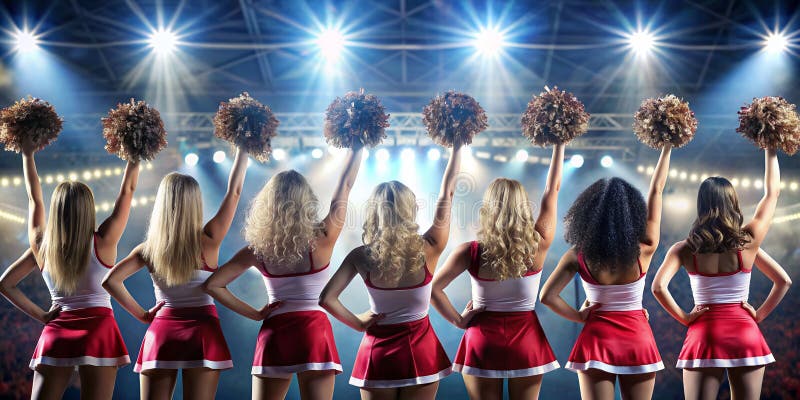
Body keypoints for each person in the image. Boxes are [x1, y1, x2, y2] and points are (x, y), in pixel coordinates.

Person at [203, 145, 364, 400]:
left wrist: (256, 314)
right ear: (306, 202)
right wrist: (358, 146)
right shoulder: (323, 237)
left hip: (275, 332)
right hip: (314, 332)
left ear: (268, 205)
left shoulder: (256, 249)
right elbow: (345, 186)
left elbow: (212, 285)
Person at [319, 141, 463, 400]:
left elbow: (326, 299)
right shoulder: (431, 245)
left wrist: (358, 323)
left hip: (377, 352)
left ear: (374, 212)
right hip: (421, 349)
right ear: (411, 209)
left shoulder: (360, 256)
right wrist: (457, 145)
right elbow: (448, 193)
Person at [102, 148, 248, 400]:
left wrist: (143, 315)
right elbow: (234, 192)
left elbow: (111, 281)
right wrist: (243, 149)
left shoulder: (148, 249)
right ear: (196, 203)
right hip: (203, 331)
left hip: (162, 331)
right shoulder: (210, 239)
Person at [0, 139, 140, 400]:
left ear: (57, 209)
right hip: (99, 329)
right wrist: (136, 153)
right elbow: (127, 192)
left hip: (58, 331)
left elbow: (34, 199)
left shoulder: (41, 245)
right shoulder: (104, 240)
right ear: (89, 209)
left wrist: (27, 153)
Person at [651, 148, 790, 400]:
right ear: (733, 203)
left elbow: (658, 287)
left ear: (701, 204)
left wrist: (685, 317)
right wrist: (770, 148)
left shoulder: (684, 248)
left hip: (704, 333)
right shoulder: (749, 241)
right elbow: (773, 193)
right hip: (745, 331)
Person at [429, 143, 565, 400]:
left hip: (483, 340)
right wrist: (560, 143)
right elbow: (552, 189)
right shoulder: (539, 243)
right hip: (526, 339)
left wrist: (459, 320)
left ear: (488, 208)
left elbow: (433, 289)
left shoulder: (469, 251)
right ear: (524, 207)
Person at [540, 145, 673, 400]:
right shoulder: (645, 248)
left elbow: (547, 296)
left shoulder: (577, 255)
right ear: (633, 213)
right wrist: (666, 148)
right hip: (637, 337)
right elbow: (656, 190)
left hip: (596, 339)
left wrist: (579, 316)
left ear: (587, 215)